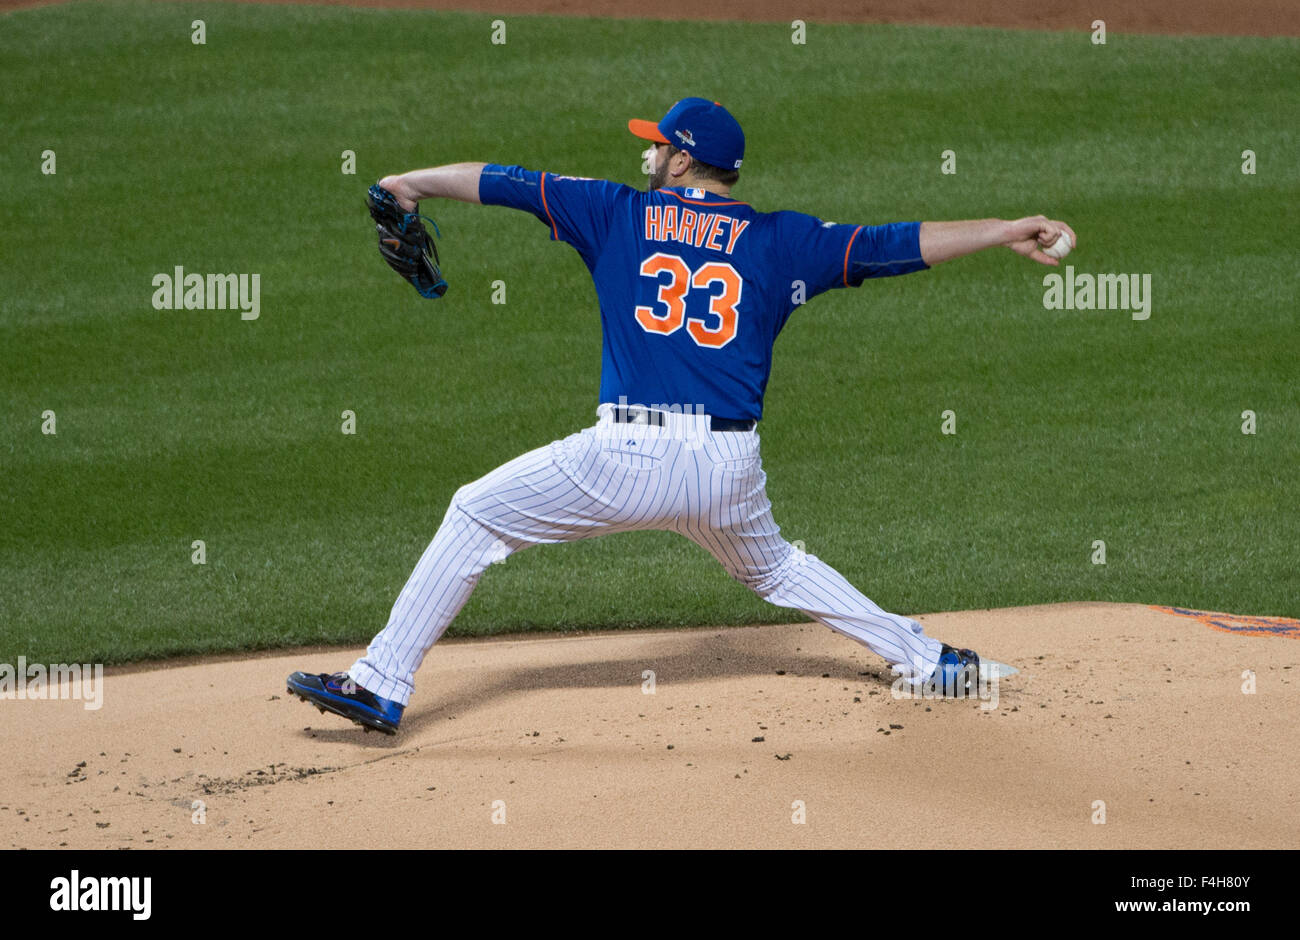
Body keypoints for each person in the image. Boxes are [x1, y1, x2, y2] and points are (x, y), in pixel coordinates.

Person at [286, 97, 1075, 734]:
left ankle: (380, 684)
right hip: (728, 469)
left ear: (684, 158)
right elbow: (898, 244)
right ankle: (933, 661)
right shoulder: (782, 240)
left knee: (475, 514)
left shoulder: (615, 212)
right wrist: (1007, 230)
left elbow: (500, 179)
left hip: (624, 458)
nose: (650, 154)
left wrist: (408, 183)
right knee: (773, 568)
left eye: (659, 144)